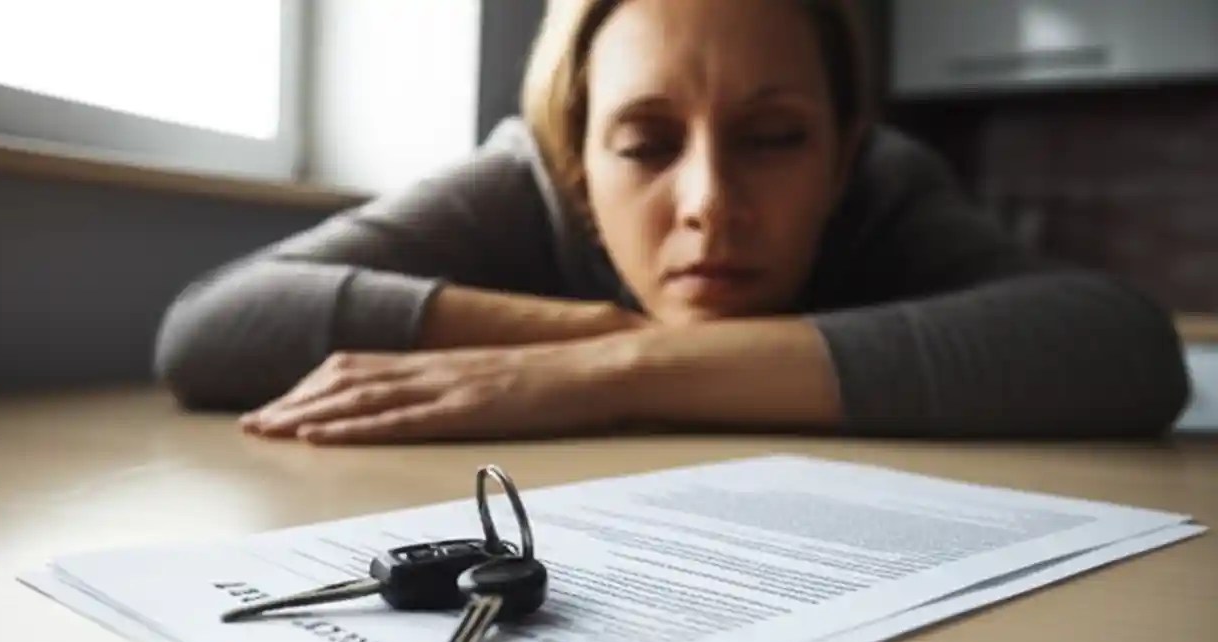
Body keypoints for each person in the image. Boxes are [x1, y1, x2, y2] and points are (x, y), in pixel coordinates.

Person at [153, 0, 1190, 445]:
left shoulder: (887, 184)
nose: (707, 203)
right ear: (575, 158)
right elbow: (212, 327)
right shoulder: (524, 177)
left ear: (843, 149)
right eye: (646, 146)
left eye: (775, 138)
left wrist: (606, 377)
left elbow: (1124, 349)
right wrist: (602, 334)